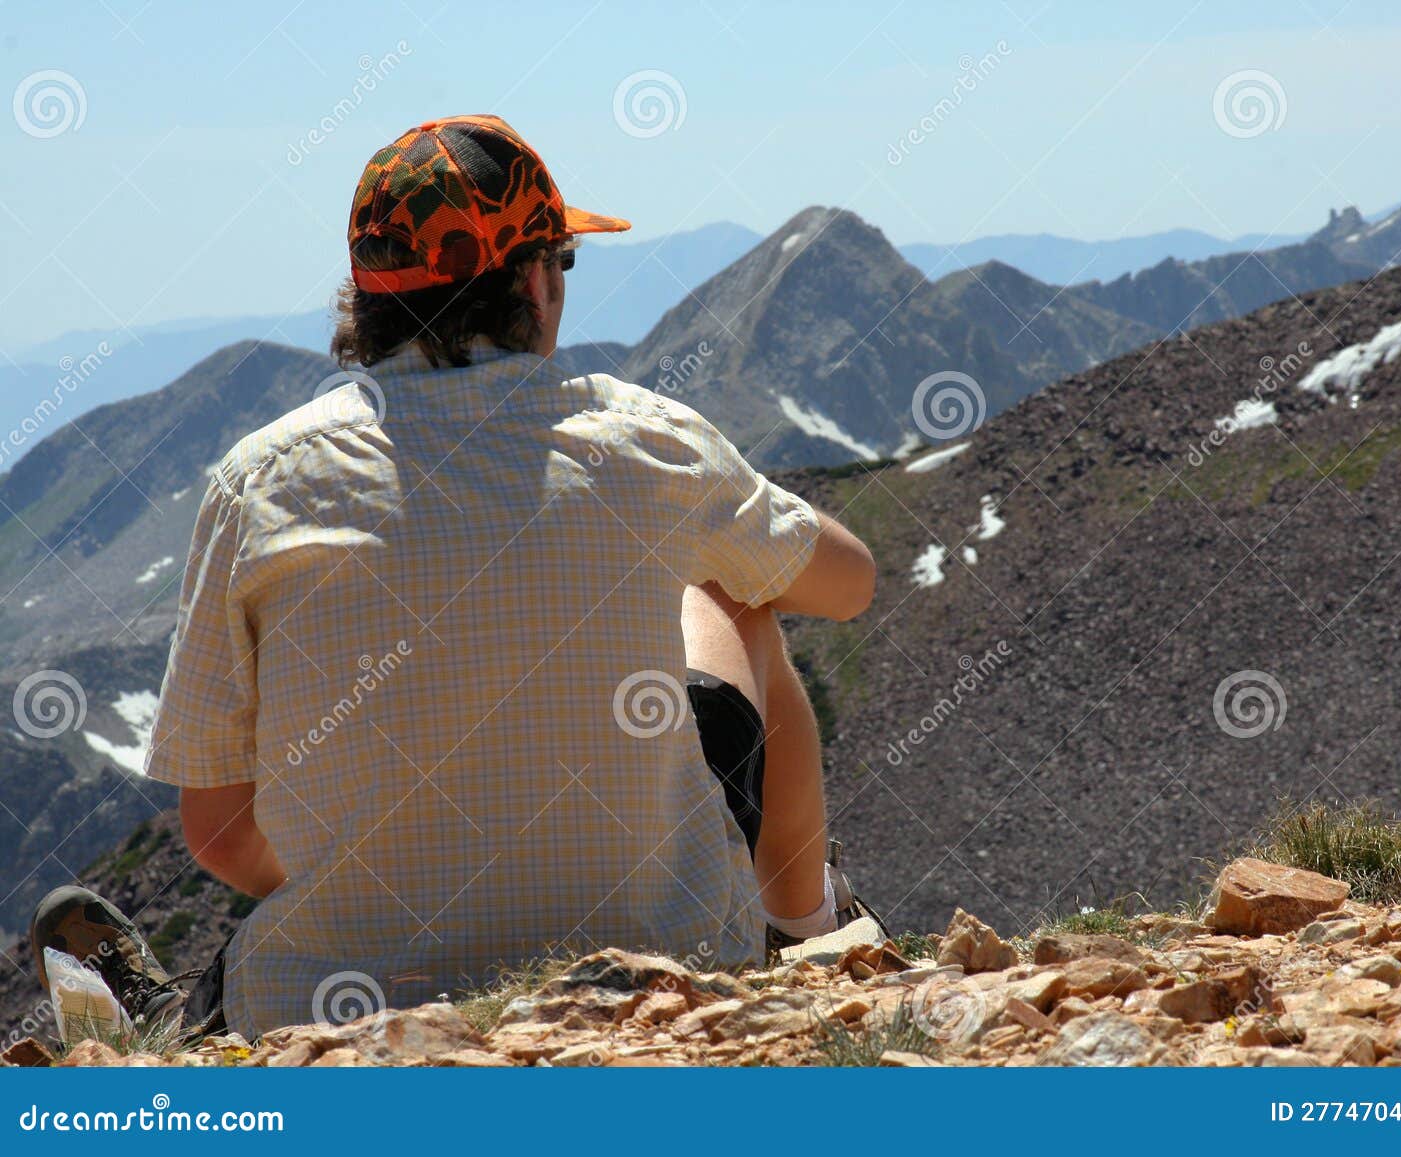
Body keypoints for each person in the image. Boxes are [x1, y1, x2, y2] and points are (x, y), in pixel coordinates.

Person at [31, 114, 879, 1040]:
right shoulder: (647, 438)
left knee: (226, 1010)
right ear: (531, 280)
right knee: (733, 586)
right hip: (660, 979)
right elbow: (850, 584)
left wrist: (366, 891)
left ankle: (156, 1024)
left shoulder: (259, 480)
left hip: (337, 1009)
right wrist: (714, 511)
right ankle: (807, 934)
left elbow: (218, 829)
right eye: (561, 259)